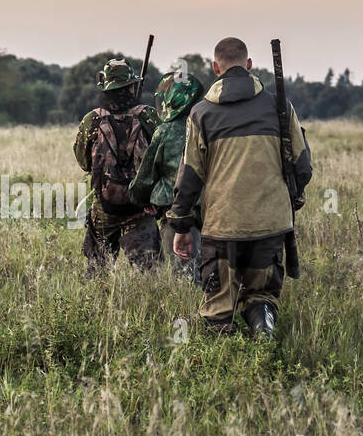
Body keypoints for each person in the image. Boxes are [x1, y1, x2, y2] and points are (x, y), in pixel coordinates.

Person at [166, 37, 311, 337]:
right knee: (261, 296)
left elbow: (189, 176)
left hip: (222, 227)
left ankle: (226, 367)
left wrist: (180, 225)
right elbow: (303, 166)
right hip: (270, 225)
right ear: (249, 65)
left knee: (219, 307)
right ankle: (263, 336)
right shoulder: (280, 106)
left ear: (215, 68)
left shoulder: (202, 113)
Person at [72, 59, 161, 270]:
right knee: (149, 274)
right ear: (131, 86)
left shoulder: (91, 120)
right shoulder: (148, 116)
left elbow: (84, 162)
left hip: (105, 206)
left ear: (106, 89)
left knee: (97, 270)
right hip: (142, 207)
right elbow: (162, 157)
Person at [128, 68, 205, 279]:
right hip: (215, 213)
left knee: (187, 280)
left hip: (178, 215)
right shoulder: (210, 125)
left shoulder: (166, 130)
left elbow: (145, 175)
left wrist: (140, 197)